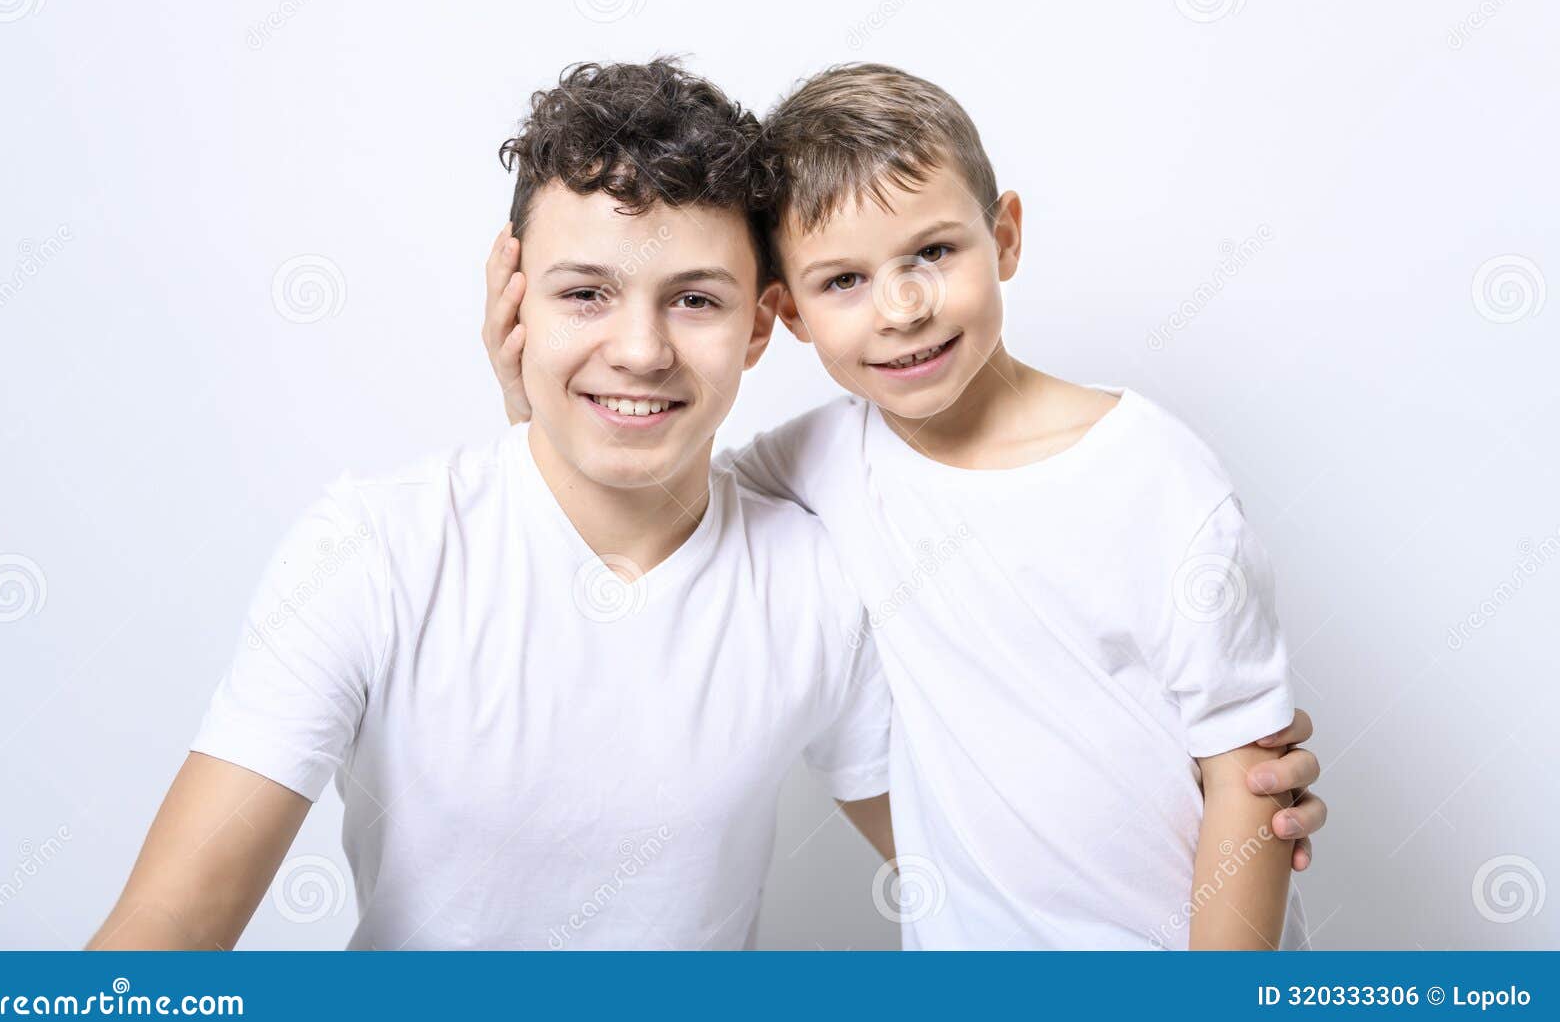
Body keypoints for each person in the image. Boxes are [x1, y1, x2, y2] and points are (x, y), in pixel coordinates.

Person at [484, 62, 1329, 949]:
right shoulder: (815, 465)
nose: (902, 308)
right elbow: (643, 507)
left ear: (1004, 236)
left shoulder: (1153, 475)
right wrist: (531, 397)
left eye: (932, 252)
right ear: (788, 312)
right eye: (842, 280)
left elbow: (1255, 781)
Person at [89, 59, 893, 951]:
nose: (640, 350)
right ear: (513, 303)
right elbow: (164, 934)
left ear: (758, 324)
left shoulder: (816, 581)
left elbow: (968, 878)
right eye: (584, 294)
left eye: (695, 299)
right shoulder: (375, 552)